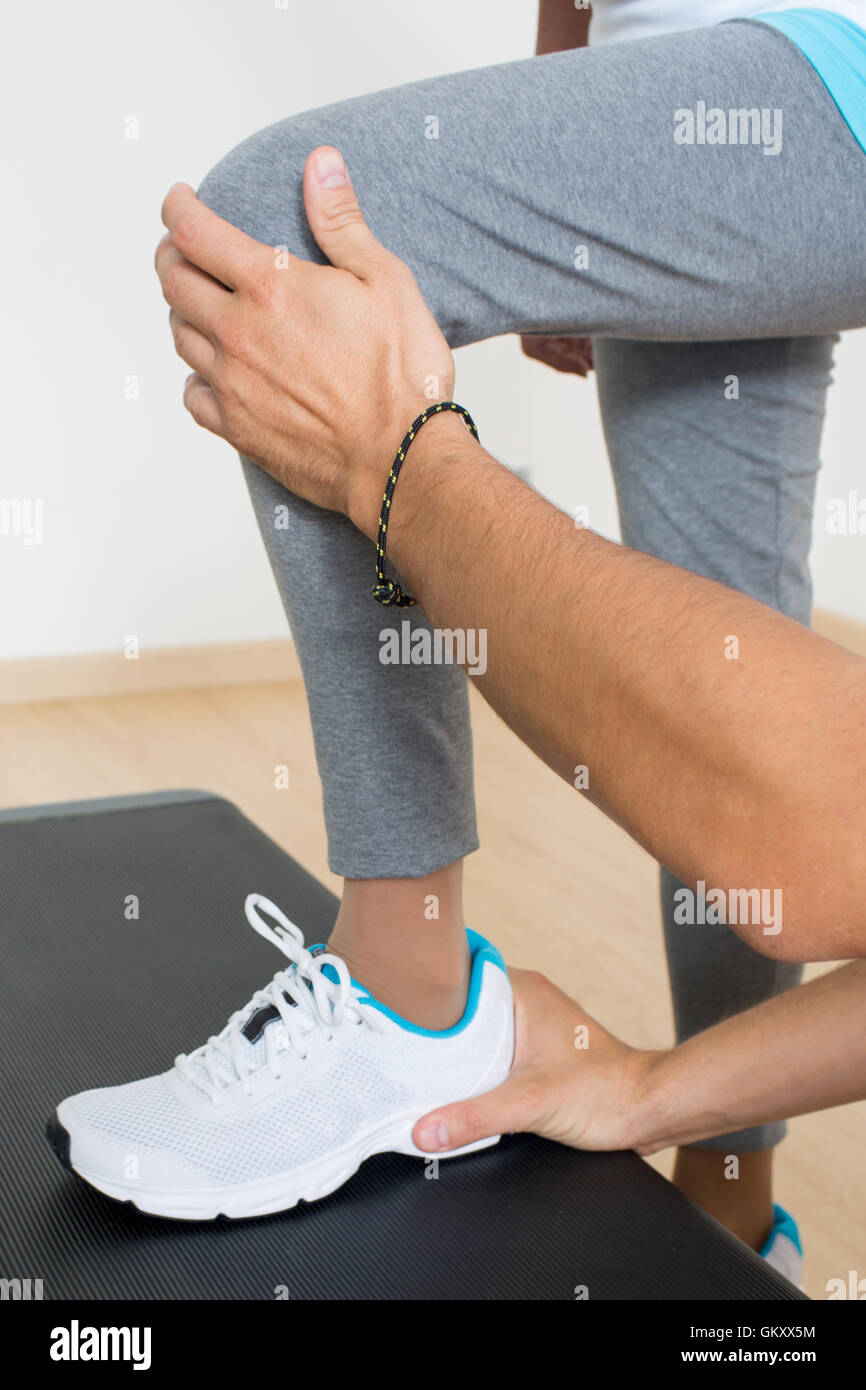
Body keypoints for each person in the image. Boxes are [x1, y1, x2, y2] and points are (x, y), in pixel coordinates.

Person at [50, 7, 866, 1263]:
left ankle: (405, 989)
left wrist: (396, 457)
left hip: (823, 59)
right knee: (730, 693)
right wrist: (573, 75)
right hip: (679, 54)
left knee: (280, 228)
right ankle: (731, 1212)